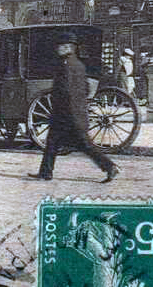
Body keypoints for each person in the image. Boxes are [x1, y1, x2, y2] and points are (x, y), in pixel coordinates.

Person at [29, 32, 120, 182]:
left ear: (68, 47)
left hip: (68, 115)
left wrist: (64, 113)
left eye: (61, 46)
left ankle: (110, 167)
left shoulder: (65, 66)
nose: (58, 49)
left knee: (84, 145)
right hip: (71, 113)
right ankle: (45, 172)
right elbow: (85, 89)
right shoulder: (78, 64)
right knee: (51, 142)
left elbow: (65, 91)